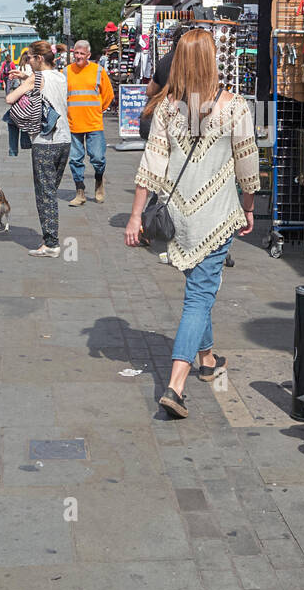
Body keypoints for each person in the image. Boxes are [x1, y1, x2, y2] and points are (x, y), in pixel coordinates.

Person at [124, 30, 258, 419]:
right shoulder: (235, 107)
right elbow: (248, 166)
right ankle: (175, 386)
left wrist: (135, 215)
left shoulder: (165, 108)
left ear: (179, 62)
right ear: (212, 61)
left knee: (200, 283)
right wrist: (249, 208)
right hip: (216, 215)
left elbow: (151, 166)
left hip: (178, 216)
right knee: (199, 296)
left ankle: (208, 359)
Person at [3, 40, 69, 257]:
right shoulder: (61, 76)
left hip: (44, 141)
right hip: (64, 140)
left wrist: (23, 84)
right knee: (51, 190)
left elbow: (9, 98)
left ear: (39, 58)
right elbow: (45, 86)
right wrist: (26, 78)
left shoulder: (35, 78)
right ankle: (50, 238)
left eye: (30, 58)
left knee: (45, 194)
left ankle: (51, 243)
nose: (28, 62)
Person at [65, 39, 114, 206]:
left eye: (81, 54)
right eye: (76, 53)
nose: (78, 56)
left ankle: (99, 182)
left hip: (94, 123)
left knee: (98, 158)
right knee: (75, 159)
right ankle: (80, 192)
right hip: (73, 124)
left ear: (88, 55)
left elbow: (108, 95)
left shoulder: (98, 71)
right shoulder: (66, 72)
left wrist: (97, 110)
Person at [5, 57, 32, 157]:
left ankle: (13, 150)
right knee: (24, 118)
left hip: (21, 95)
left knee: (12, 119)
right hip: (28, 95)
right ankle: (25, 143)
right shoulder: (31, 68)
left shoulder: (20, 67)